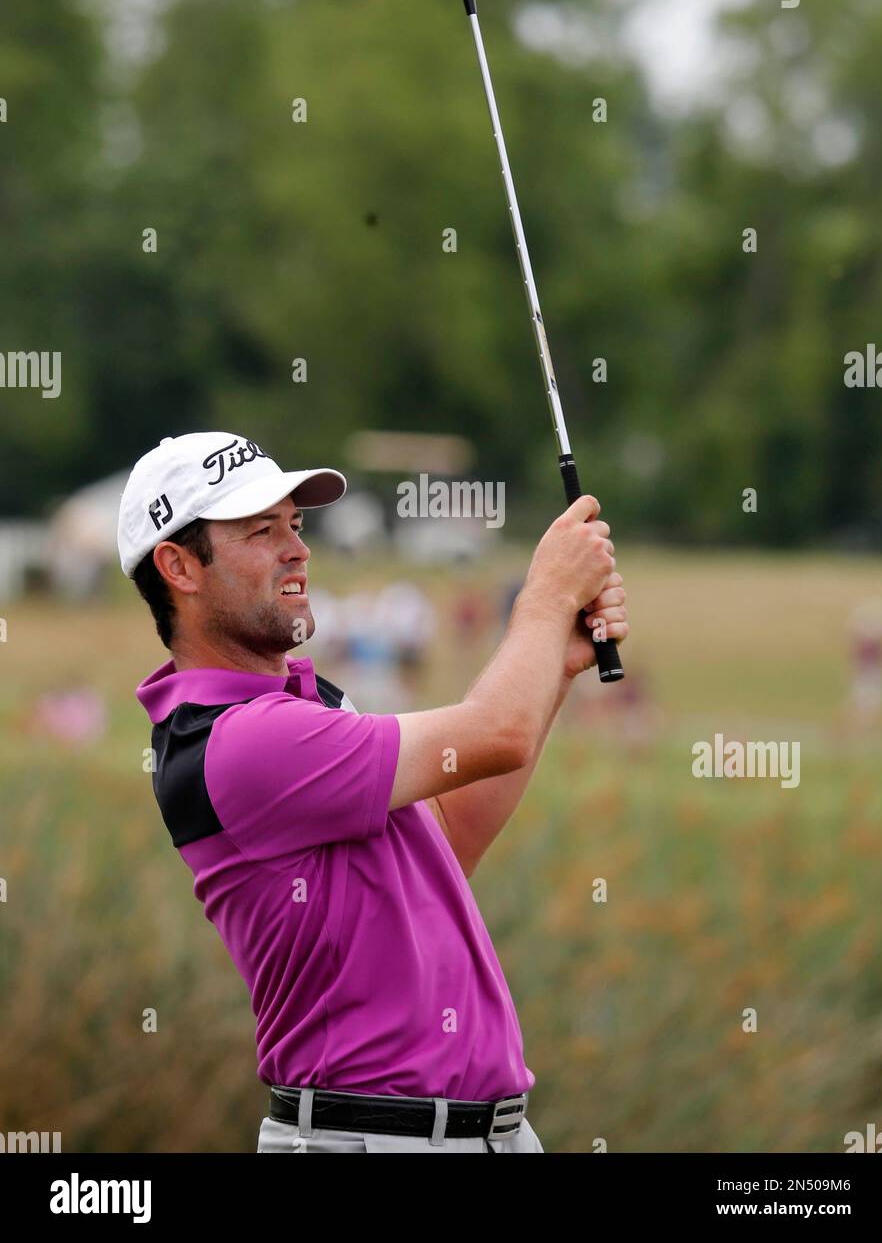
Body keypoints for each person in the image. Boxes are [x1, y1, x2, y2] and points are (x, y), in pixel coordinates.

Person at [118, 431, 628, 1154]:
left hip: (480, 1136)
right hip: (368, 1138)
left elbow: (450, 835)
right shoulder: (239, 741)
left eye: (294, 525)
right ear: (178, 566)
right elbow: (495, 732)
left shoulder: (304, 706)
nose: (297, 550)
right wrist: (544, 594)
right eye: (261, 531)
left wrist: (558, 664)